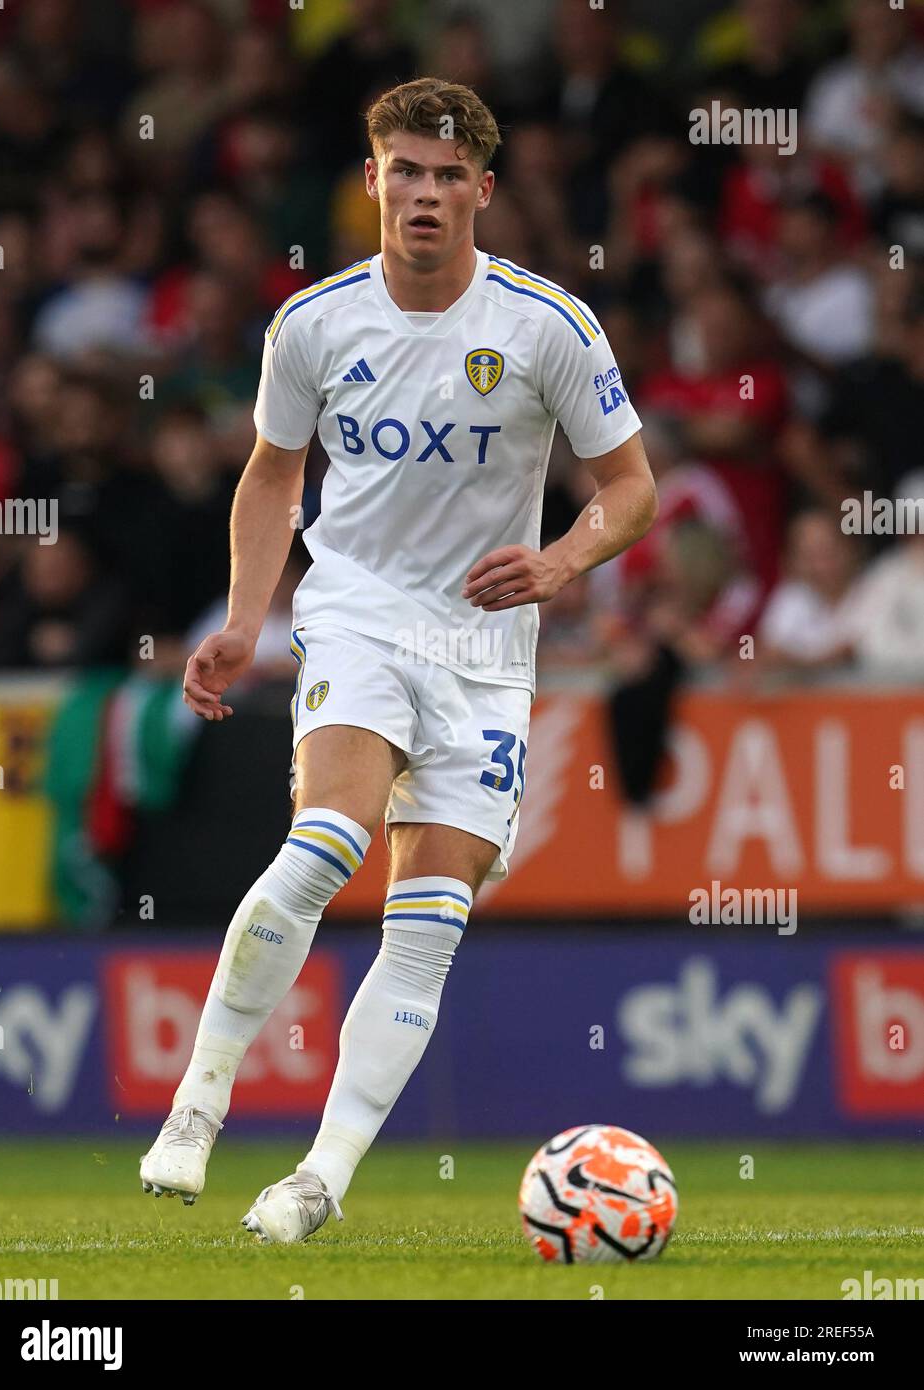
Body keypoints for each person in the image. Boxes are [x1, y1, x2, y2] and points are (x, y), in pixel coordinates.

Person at [139, 77, 656, 1243]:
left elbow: (629, 489)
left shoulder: (545, 326)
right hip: (359, 613)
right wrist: (240, 619)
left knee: (425, 927)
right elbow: (272, 474)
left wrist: (561, 562)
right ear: (372, 180)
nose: (424, 194)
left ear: (482, 188)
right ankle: (200, 1096)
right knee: (326, 841)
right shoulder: (313, 323)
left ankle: (317, 1177)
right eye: (403, 172)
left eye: (446, 175)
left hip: (483, 650)